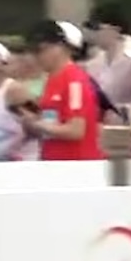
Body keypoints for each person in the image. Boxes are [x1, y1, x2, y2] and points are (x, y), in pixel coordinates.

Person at [20, 20, 104, 161]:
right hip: (54, 162)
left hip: (75, 164)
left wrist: (38, 125)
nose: (36, 57)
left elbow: (76, 130)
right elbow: (54, 121)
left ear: (60, 47)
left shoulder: (74, 81)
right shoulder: (51, 79)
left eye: (40, 50)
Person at [83, 3, 131, 113]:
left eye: (97, 28)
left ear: (116, 29)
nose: (93, 33)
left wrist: (123, 111)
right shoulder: (96, 61)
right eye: (91, 28)